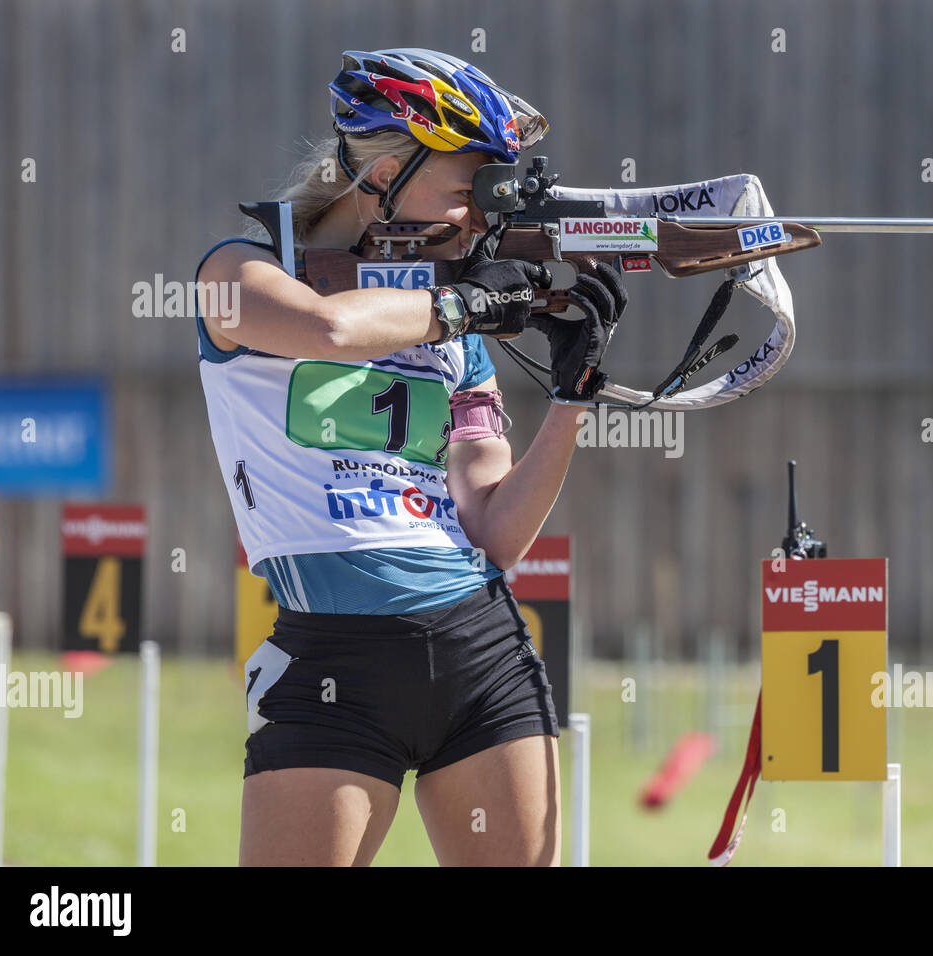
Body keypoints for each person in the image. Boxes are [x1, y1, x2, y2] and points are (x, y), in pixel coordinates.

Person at [192, 48, 626, 866]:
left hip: (480, 649)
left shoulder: (450, 334)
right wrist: (464, 303)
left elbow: (493, 532)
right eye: (466, 190)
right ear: (386, 171)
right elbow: (330, 331)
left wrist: (573, 399)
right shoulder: (235, 273)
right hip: (331, 663)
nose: (474, 220)